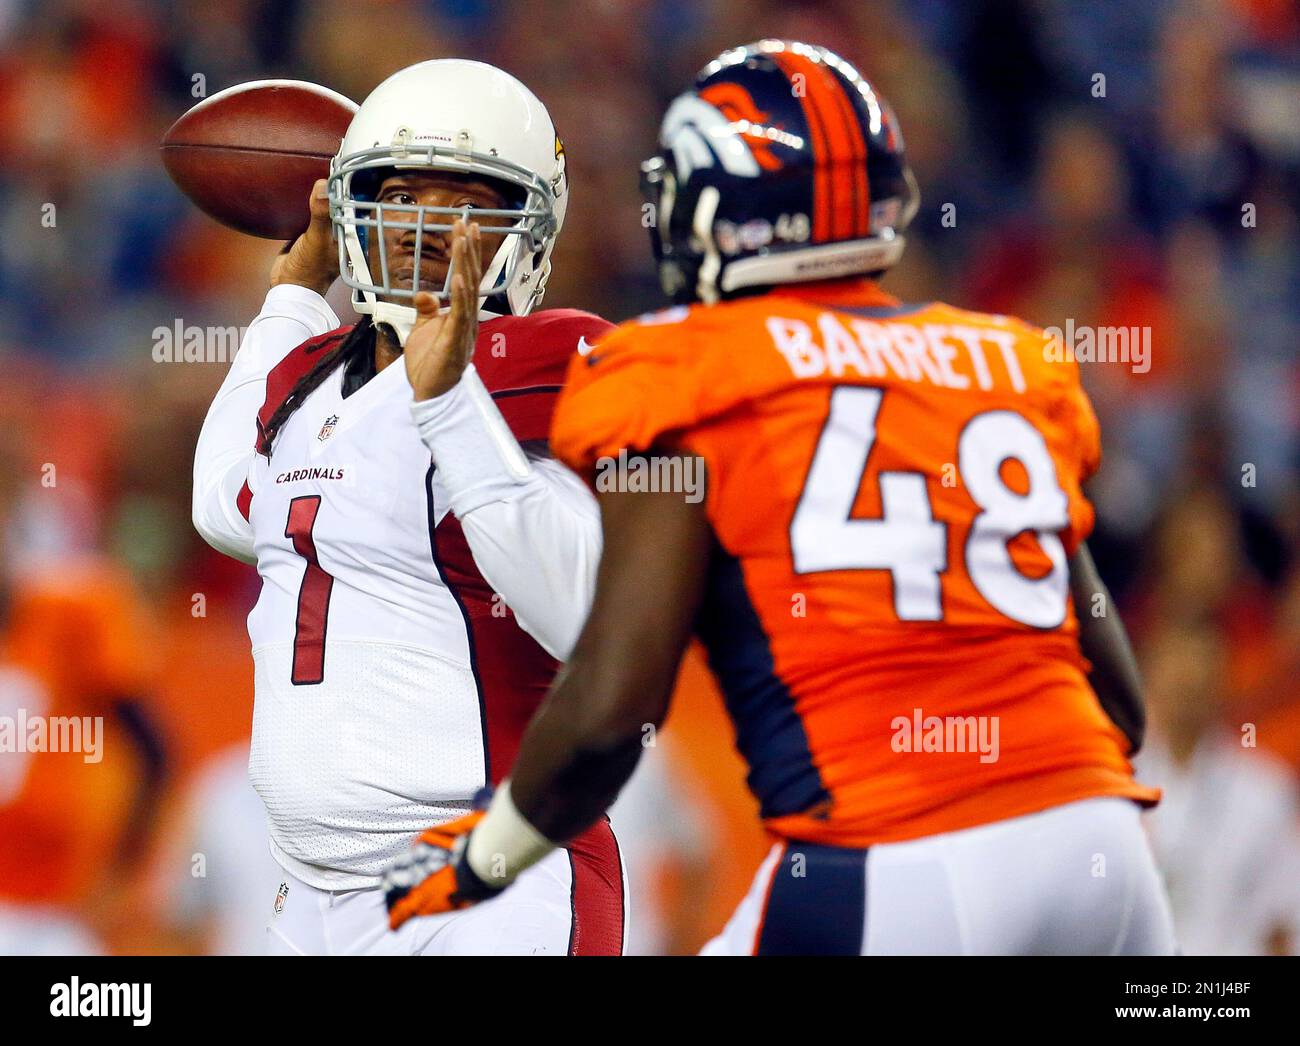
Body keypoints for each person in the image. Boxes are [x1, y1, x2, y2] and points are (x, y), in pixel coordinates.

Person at [381, 40, 1175, 956]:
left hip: (897, 856)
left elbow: (612, 705)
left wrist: (485, 858)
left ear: (713, 207)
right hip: (1104, 856)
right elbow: (1118, 700)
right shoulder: (1003, 360)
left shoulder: (686, 370)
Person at [192, 59, 623, 955]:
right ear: (350, 211)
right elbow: (224, 503)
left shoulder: (552, 355)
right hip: (310, 895)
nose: (426, 226)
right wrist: (289, 295)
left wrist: (450, 404)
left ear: (526, 230)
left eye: (465, 201)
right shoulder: (307, 377)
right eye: (400, 196)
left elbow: (581, 608)